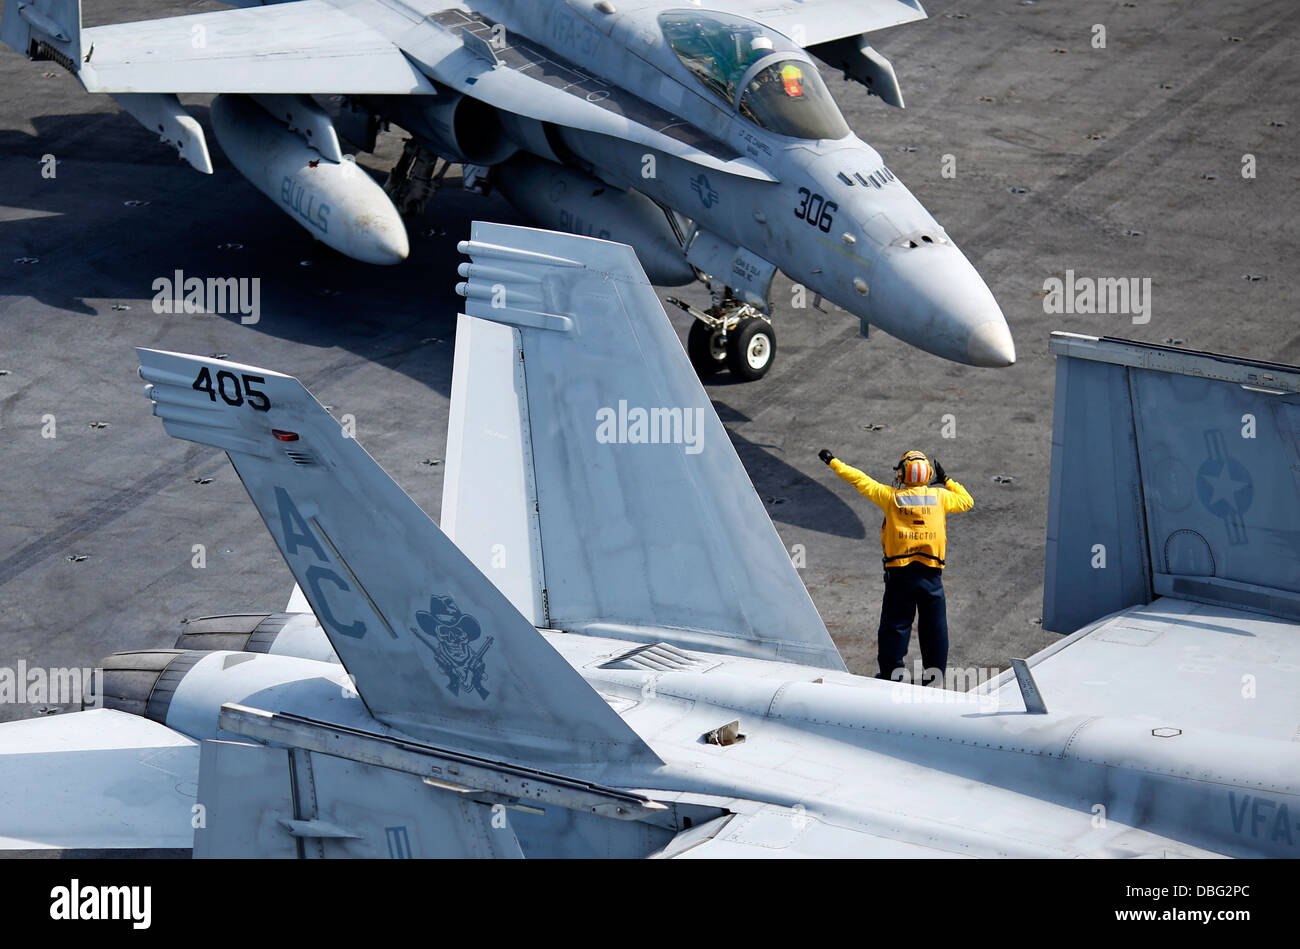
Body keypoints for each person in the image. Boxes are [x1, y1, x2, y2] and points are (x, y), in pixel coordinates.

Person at [818, 448, 974, 685]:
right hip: (932, 575)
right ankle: (934, 679)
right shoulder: (941, 497)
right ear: (928, 473)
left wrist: (833, 462)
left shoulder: (891, 497)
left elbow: (859, 479)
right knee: (934, 628)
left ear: (902, 474)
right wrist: (947, 481)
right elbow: (967, 501)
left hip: (900, 574)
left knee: (895, 626)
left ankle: (892, 676)